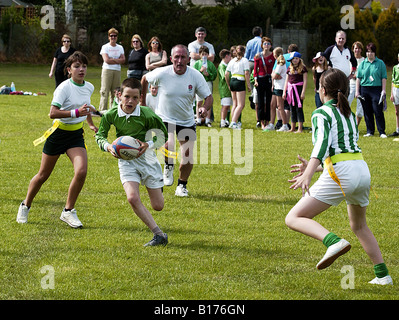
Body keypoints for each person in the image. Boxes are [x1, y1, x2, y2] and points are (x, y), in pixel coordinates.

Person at [285, 68, 393, 285]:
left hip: (343, 172)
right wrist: (314, 168)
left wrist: (308, 173)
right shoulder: (348, 113)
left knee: (294, 218)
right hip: (361, 169)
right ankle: (383, 276)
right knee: (359, 226)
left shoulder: (321, 113)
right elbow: (341, 151)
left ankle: (333, 242)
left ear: (322, 90)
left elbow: (323, 144)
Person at [17, 51, 98, 228]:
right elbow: (52, 113)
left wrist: (90, 123)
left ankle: (68, 211)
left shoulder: (89, 87)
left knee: (81, 171)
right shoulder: (63, 88)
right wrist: (76, 113)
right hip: (58, 134)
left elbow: (85, 108)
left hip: (76, 135)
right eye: (77, 66)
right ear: (69, 70)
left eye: (84, 66)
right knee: (43, 175)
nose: (81, 69)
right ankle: (25, 205)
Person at [95, 78, 168, 247]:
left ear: (140, 98)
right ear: (119, 95)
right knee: (132, 197)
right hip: (126, 160)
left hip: (147, 159)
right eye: (127, 96)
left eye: (135, 98)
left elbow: (162, 134)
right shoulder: (111, 114)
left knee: (158, 206)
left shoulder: (146, 114)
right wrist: (108, 147)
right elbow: (100, 135)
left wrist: (148, 144)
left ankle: (156, 183)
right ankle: (158, 235)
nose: (130, 101)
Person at [141, 44, 213, 197]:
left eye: (182, 57)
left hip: (186, 120)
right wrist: (142, 105)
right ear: (171, 58)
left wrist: (204, 109)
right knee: (169, 144)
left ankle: (182, 185)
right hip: (165, 117)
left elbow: (209, 97)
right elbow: (144, 79)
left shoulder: (195, 75)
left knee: (187, 155)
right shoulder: (162, 72)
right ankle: (168, 165)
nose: (179, 61)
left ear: (188, 58)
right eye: (176, 57)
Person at [355, 43, 388, 138]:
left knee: (377, 110)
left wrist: (383, 90)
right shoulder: (362, 64)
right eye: (368, 52)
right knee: (367, 111)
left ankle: (381, 131)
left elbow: (384, 77)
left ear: (375, 53)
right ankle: (370, 131)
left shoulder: (380, 63)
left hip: (376, 89)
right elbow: (358, 78)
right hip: (364, 89)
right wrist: (357, 91)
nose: (370, 54)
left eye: (372, 52)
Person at [225, 45, 251, 130]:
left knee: (235, 104)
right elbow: (246, 73)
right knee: (241, 105)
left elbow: (226, 74)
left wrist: (229, 84)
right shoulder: (244, 60)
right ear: (244, 52)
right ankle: (233, 122)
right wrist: (248, 85)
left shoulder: (232, 61)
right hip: (240, 81)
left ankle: (233, 122)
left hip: (232, 80)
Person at [99, 28, 125, 112]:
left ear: (117, 37)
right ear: (108, 37)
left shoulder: (120, 47)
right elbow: (106, 60)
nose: (113, 37)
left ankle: (113, 109)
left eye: (115, 36)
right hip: (107, 70)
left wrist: (112, 59)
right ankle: (103, 109)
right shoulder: (105, 47)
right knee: (105, 90)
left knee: (116, 91)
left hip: (117, 70)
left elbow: (123, 60)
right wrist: (117, 60)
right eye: (111, 36)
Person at [283, 52, 308, 133]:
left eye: (296, 58)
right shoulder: (289, 68)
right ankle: (292, 128)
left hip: (299, 90)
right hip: (290, 90)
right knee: (292, 108)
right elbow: (286, 81)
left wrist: (303, 92)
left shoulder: (303, 68)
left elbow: (305, 81)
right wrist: (284, 92)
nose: (295, 60)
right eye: (293, 59)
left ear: (299, 59)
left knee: (299, 108)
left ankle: (300, 128)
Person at [253, 37, 275, 131]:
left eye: (268, 44)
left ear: (271, 46)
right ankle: (261, 122)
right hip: (260, 79)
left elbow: (274, 68)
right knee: (261, 102)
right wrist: (255, 81)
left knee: (269, 102)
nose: (267, 45)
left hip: (270, 79)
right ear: (262, 45)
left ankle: (268, 121)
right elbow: (255, 70)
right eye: (265, 44)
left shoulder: (273, 56)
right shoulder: (258, 56)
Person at [193, 45, 217, 127]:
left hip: (208, 83)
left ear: (208, 55)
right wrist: (200, 71)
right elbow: (193, 75)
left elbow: (214, 75)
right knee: (199, 102)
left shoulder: (210, 64)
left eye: (206, 54)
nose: (204, 56)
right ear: (199, 55)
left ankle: (207, 120)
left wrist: (208, 74)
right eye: (202, 54)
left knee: (208, 101)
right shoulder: (197, 64)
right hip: (199, 84)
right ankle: (198, 119)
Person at [348, 42, 365, 126]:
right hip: (351, 84)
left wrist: (357, 75)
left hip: (361, 84)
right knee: (347, 102)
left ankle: (356, 125)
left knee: (360, 105)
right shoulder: (349, 59)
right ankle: (347, 122)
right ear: (353, 49)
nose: (356, 50)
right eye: (355, 48)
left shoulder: (364, 60)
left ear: (361, 50)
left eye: (358, 48)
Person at [272, 48, 289, 132]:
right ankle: (284, 124)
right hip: (277, 86)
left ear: (275, 55)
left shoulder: (280, 65)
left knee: (280, 107)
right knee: (279, 106)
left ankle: (285, 124)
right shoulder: (281, 64)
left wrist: (274, 75)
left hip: (280, 87)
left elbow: (274, 76)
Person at [218, 49, 232, 128]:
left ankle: (227, 120)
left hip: (228, 88)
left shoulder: (226, 65)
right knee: (225, 105)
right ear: (226, 56)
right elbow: (224, 76)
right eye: (230, 56)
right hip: (224, 88)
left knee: (229, 105)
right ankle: (222, 121)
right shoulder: (222, 66)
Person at [389, 53, 399, 137]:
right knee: (397, 111)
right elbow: (392, 80)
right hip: (396, 89)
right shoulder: (395, 68)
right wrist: (392, 93)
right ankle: (397, 129)